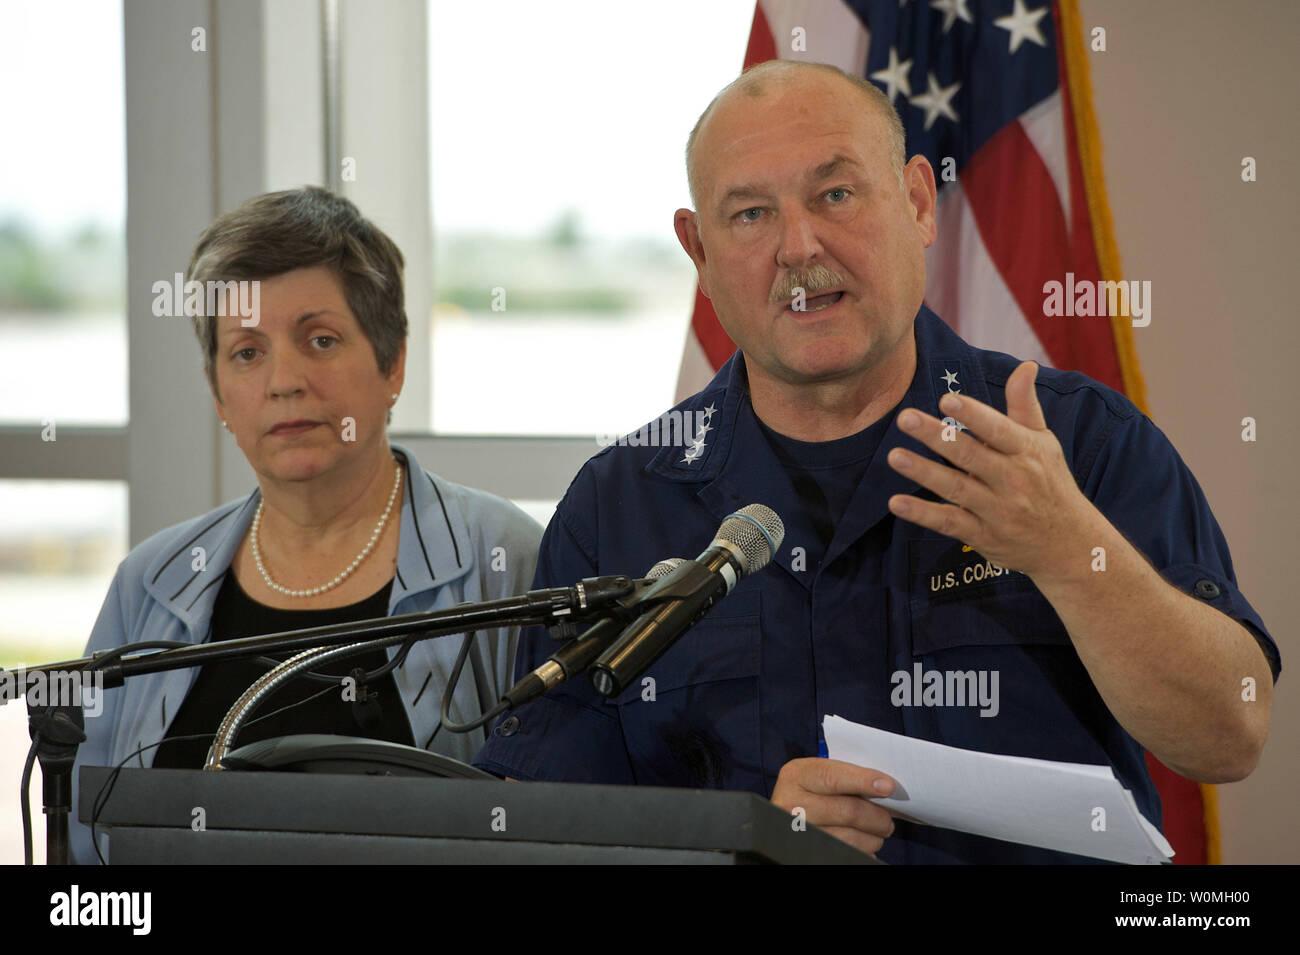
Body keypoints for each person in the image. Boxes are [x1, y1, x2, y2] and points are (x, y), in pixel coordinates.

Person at [473, 61, 1281, 863]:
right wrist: (744, 843)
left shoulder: (1077, 441)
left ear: (918, 202)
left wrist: (1069, 551)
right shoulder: (620, 506)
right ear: (699, 251)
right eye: (750, 214)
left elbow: (1228, 735)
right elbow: (547, 833)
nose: (799, 246)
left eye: (835, 194)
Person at [71, 187, 542, 863]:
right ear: (218, 395)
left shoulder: (503, 559)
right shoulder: (150, 581)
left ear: (393, 362)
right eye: (247, 352)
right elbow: (92, 847)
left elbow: (555, 827)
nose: (284, 380)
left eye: (319, 340)